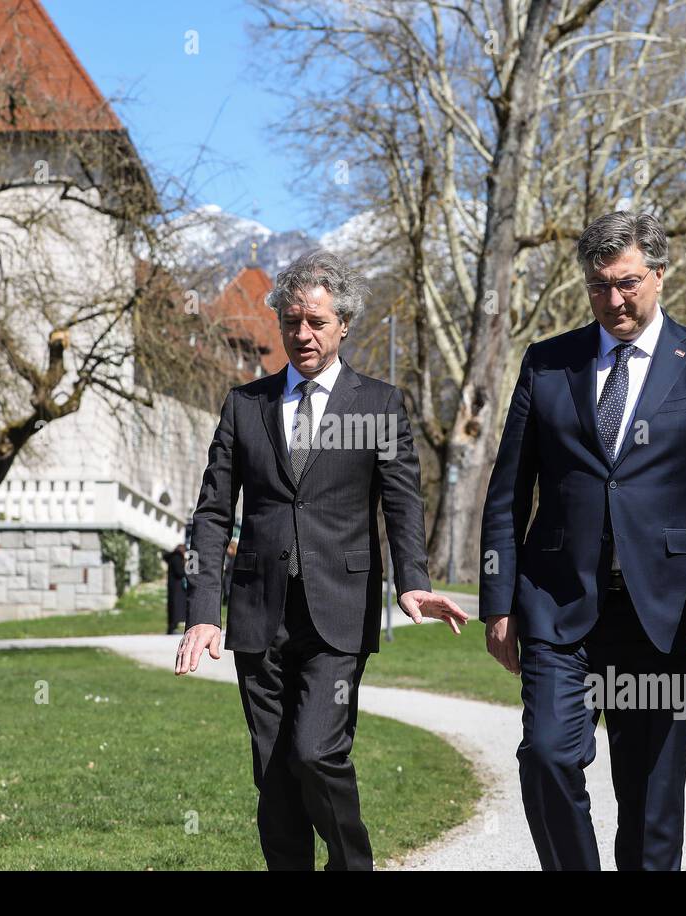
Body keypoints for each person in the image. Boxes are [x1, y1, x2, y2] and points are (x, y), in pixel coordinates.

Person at [479, 211, 686, 870]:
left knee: (650, 803)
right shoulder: (548, 364)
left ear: (660, 274)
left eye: (628, 282)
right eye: (599, 285)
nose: (614, 300)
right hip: (558, 607)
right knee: (546, 754)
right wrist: (498, 601)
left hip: (664, 617)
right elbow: (508, 492)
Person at [175, 249, 468, 871]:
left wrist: (412, 582)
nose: (301, 334)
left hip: (339, 611)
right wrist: (204, 610)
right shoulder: (245, 405)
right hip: (259, 613)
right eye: (290, 322)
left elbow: (402, 503)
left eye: (315, 322)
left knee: (315, 753)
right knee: (275, 774)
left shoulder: (377, 405)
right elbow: (211, 514)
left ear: (343, 325)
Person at [164, 544, 187, 634]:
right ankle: (172, 627)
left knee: (173, 607)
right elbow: (179, 572)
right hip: (176, 586)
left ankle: (172, 627)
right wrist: (184, 566)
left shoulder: (172, 557)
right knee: (175, 607)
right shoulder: (177, 558)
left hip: (172, 586)